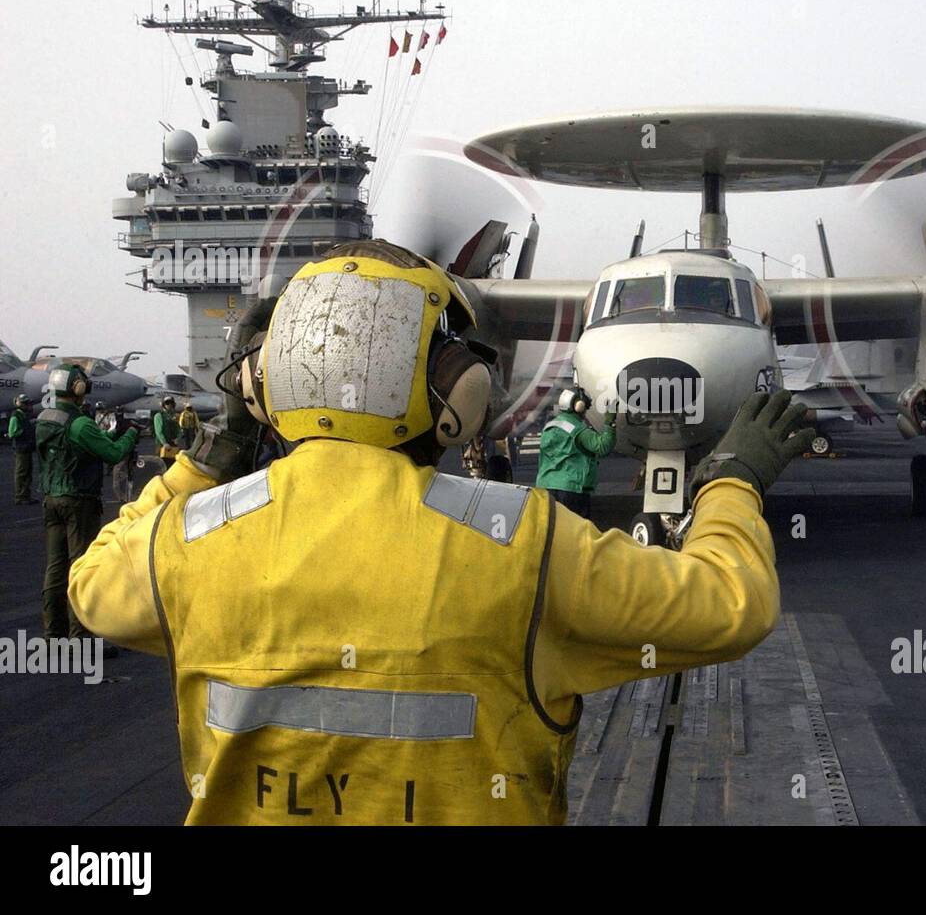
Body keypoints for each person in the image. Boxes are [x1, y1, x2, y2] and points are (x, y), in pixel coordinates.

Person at [68, 239, 814, 826]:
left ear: (262, 385)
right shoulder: (524, 544)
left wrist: (209, 460)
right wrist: (732, 482)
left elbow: (92, 588)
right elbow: (728, 605)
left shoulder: (186, 541)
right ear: (455, 388)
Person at [35, 363, 138, 642]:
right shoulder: (80, 423)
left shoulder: (46, 418)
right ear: (78, 388)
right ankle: (79, 637)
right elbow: (114, 454)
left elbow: (88, 444)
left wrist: (112, 433)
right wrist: (129, 434)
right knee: (80, 566)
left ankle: (53, 634)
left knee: (55, 568)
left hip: (52, 499)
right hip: (78, 502)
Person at [535, 386, 616, 519]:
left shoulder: (550, 426)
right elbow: (602, 446)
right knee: (575, 532)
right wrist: (610, 422)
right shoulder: (578, 430)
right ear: (579, 406)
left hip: (545, 487)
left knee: (552, 528)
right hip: (571, 489)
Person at [7, 394, 39, 505]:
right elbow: (12, 433)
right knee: (21, 473)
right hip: (21, 448)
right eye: (27, 404)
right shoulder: (16, 416)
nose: (30, 406)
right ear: (22, 405)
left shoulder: (24, 415)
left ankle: (26, 495)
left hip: (27, 448)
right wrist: (25, 431)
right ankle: (20, 496)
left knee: (27, 472)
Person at [153, 396, 182, 468]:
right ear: (163, 404)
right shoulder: (158, 416)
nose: (169, 404)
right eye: (167, 403)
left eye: (171, 402)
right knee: (162, 466)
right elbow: (158, 431)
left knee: (174, 466)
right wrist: (164, 443)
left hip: (173, 443)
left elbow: (178, 429)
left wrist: (178, 439)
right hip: (162, 445)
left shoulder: (174, 416)